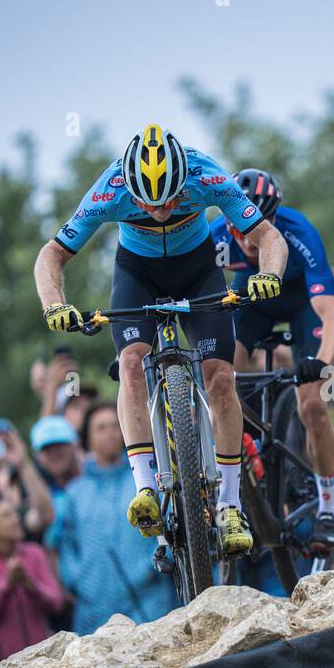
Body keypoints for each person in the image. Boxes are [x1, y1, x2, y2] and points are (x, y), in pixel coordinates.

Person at [33, 122, 289, 559]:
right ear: (129, 189)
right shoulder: (110, 188)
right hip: (138, 273)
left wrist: (269, 276)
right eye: (148, 204)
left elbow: (268, 236)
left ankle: (229, 507)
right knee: (131, 364)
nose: (160, 210)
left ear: (183, 180)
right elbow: (51, 254)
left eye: (171, 199)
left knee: (221, 378)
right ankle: (146, 487)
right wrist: (55, 304)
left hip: (198, 268)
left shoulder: (205, 173)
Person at [210, 168, 334, 552]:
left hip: (301, 300)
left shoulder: (297, 230)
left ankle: (328, 508)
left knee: (311, 402)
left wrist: (320, 363)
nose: (253, 240)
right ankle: (243, 450)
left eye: (262, 226)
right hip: (252, 299)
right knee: (220, 373)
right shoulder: (215, 237)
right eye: (243, 229)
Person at [49, 401, 179, 634]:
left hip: (150, 601)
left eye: (114, 426)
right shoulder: (75, 493)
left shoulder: (146, 483)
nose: (109, 433)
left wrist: (151, 568)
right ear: (87, 439)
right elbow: (64, 543)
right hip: (93, 610)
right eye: (100, 428)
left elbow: (170, 528)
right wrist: (76, 579)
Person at [0, 490, 64, 662]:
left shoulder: (34, 553)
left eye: (14, 513)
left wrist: (31, 586)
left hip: (40, 661)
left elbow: (56, 603)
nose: (16, 519)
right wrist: (6, 585)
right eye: (6, 516)